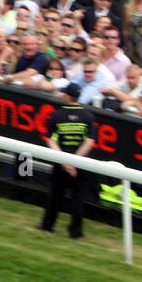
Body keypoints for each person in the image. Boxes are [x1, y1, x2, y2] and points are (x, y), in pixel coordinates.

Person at [36, 91, 96, 239]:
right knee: (78, 197)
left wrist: (65, 161)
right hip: (81, 163)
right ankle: (76, 232)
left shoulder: (57, 115)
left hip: (61, 162)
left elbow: (51, 140)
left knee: (55, 195)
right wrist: (75, 161)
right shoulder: (88, 116)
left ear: (68, 96)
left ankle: (47, 225)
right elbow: (89, 141)